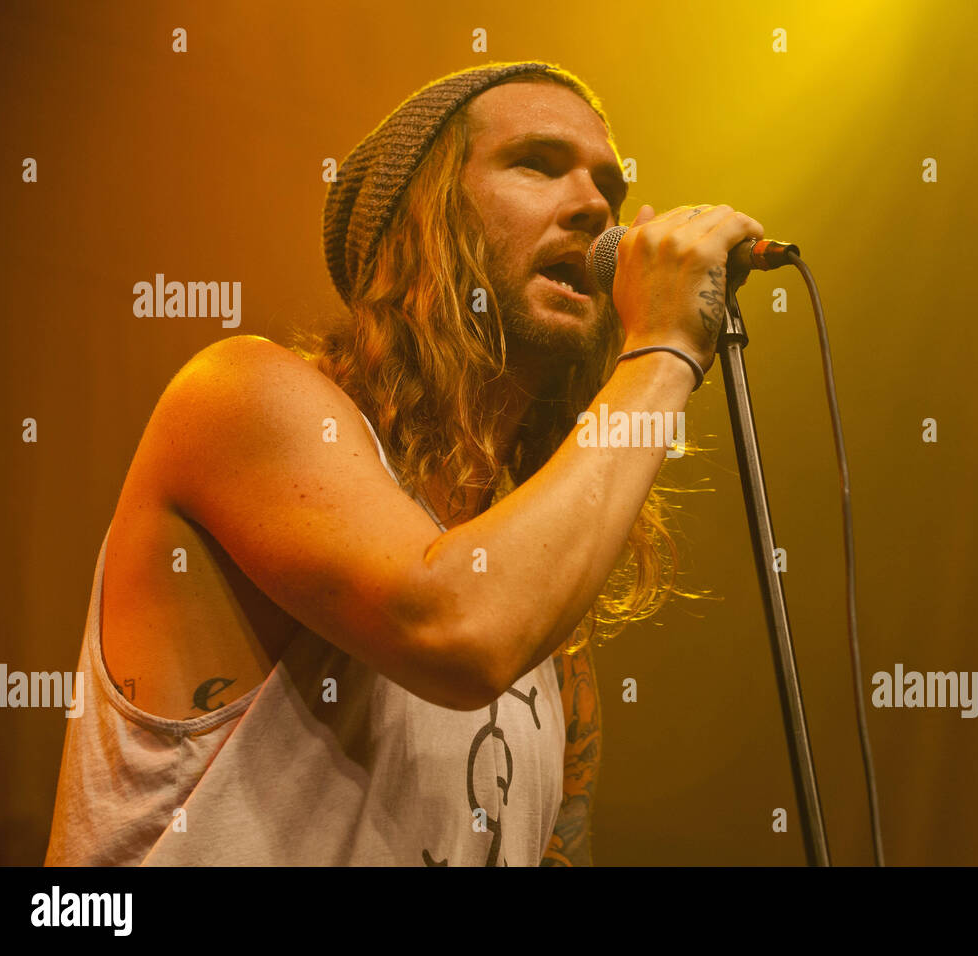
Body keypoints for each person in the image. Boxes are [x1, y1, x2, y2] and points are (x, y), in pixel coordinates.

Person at [44, 60, 764, 866]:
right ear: (424, 219)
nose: (595, 208)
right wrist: (663, 349)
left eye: (609, 188)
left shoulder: (542, 616)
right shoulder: (239, 396)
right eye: (536, 163)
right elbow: (454, 628)